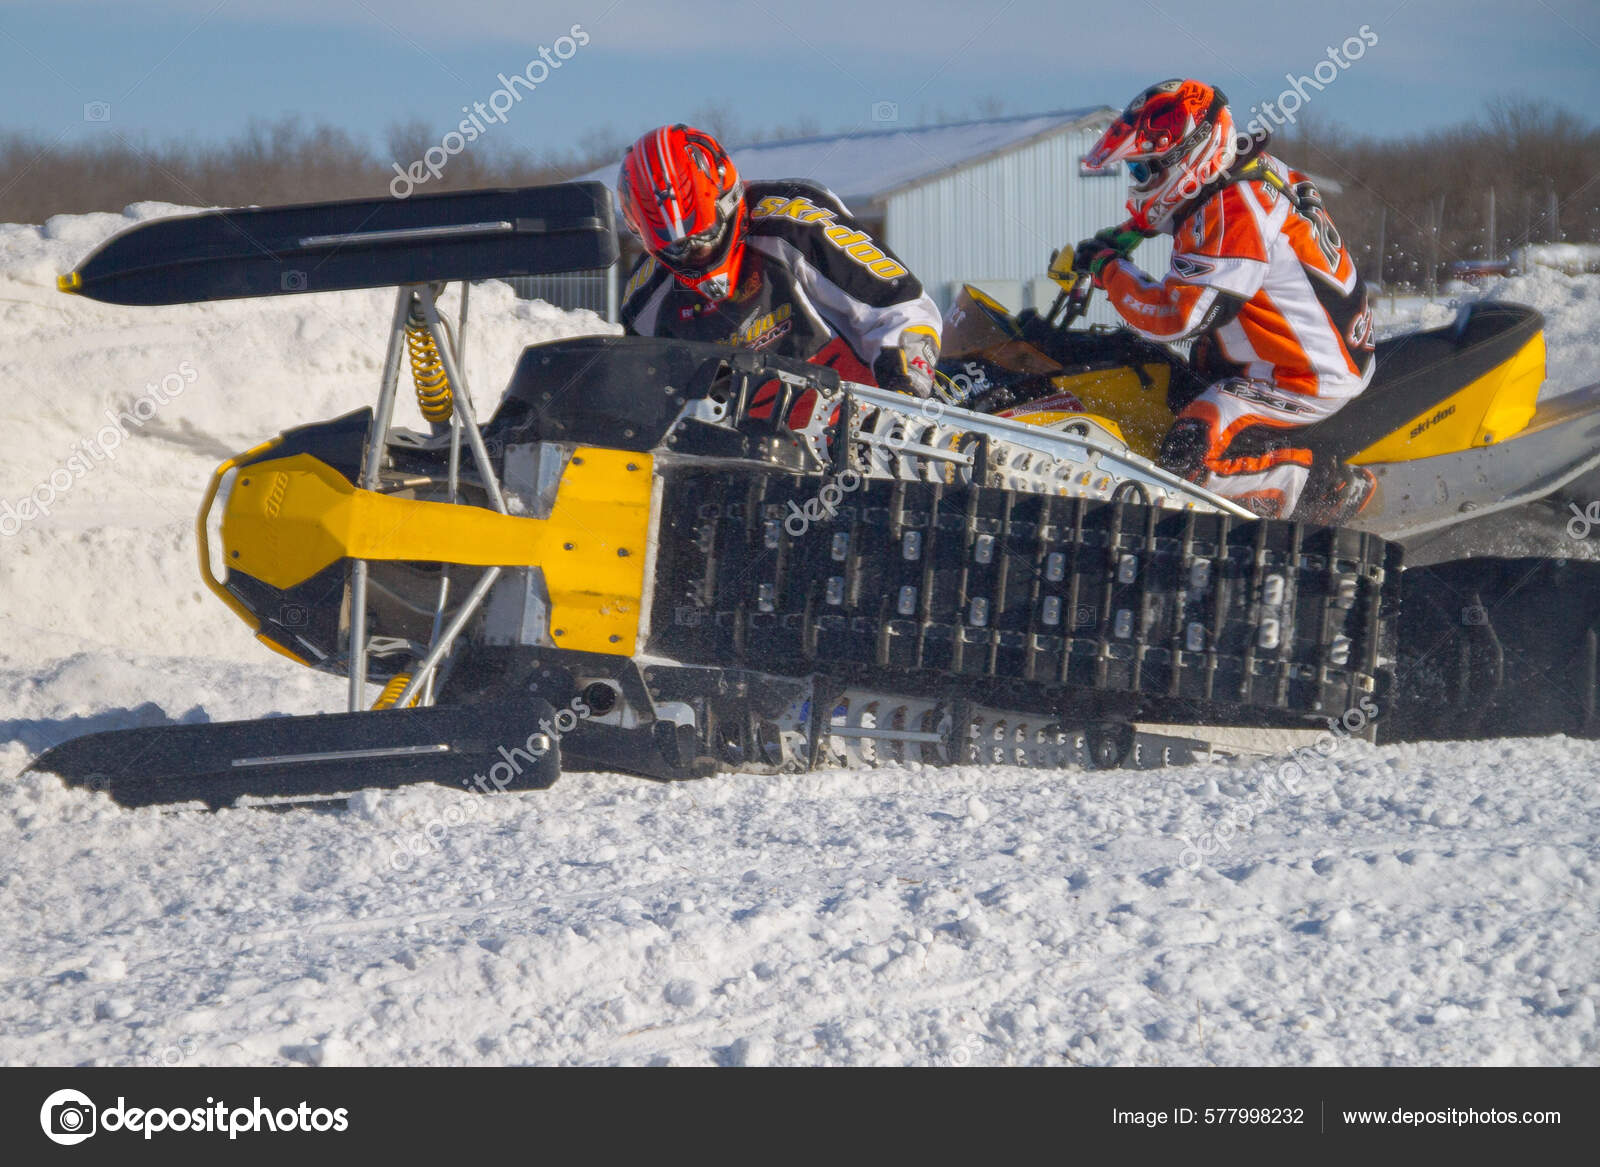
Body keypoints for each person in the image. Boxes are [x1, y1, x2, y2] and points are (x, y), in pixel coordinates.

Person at [1075, 79, 1376, 521]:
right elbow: (1184, 212)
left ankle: (1322, 488)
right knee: (1160, 375)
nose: (1138, 181)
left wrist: (1110, 271)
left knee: (1187, 463)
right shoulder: (1241, 171)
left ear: (1186, 157)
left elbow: (1178, 315)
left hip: (1301, 376)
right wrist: (1127, 234)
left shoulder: (1232, 210)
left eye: (1143, 170)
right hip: (1298, 346)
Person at [616, 124, 942, 400]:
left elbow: (903, 309)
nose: (695, 251)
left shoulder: (796, 220)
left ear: (728, 196)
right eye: (678, 248)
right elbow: (636, 402)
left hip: (867, 429)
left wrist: (903, 394)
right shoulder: (645, 298)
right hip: (750, 462)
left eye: (706, 232)